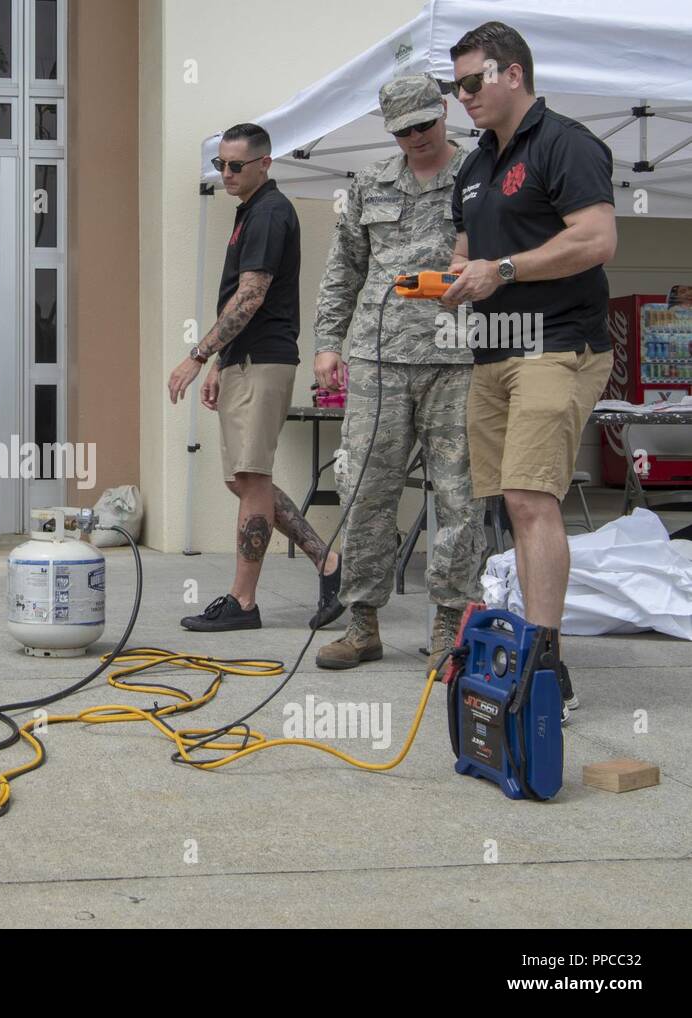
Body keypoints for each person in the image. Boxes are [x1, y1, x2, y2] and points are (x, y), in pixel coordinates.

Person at [441, 21, 618, 722]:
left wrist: (504, 269)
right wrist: (442, 282)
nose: (463, 97)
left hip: (558, 344)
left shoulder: (566, 143)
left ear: (513, 73)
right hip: (493, 351)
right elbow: (465, 256)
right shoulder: (475, 165)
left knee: (531, 496)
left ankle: (546, 669)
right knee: (508, 504)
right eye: (456, 86)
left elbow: (599, 239)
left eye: (473, 81)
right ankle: (533, 650)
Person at [312, 75, 487, 673]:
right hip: (379, 360)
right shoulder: (368, 184)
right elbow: (343, 269)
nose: (415, 137)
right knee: (364, 492)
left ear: (444, 112)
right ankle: (362, 626)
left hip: (457, 360)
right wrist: (327, 344)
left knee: (460, 499)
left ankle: (448, 631)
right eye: (402, 130)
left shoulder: (481, 176)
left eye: (424, 124)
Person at [168, 123, 343, 632]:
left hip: (264, 361)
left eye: (235, 165)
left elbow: (251, 296)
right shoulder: (250, 211)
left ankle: (243, 602)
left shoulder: (269, 212)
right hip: (245, 361)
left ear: (265, 164)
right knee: (245, 481)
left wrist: (198, 355)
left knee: (252, 481)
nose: (226, 173)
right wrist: (223, 364)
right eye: (221, 165)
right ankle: (329, 563)